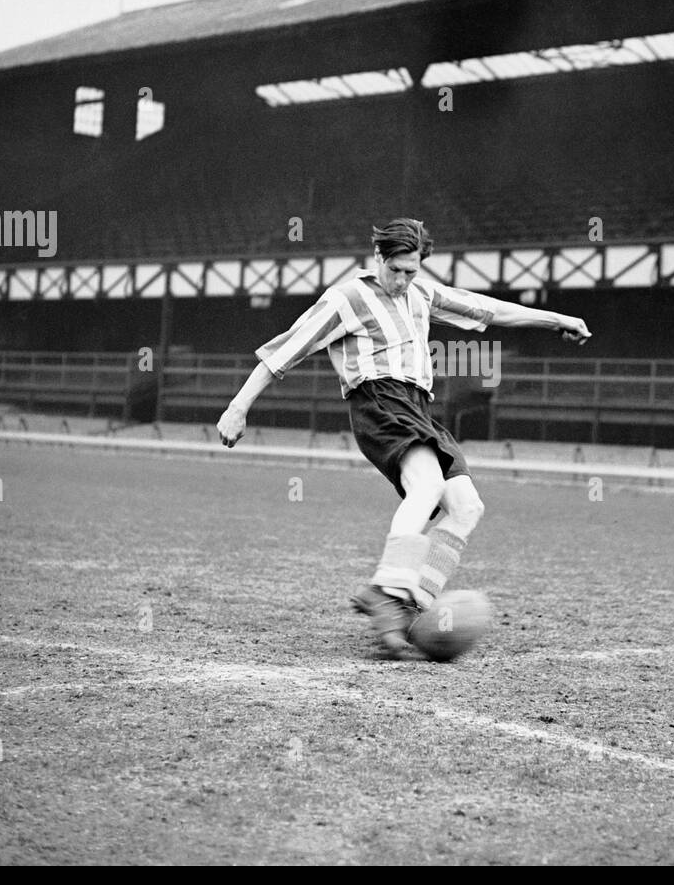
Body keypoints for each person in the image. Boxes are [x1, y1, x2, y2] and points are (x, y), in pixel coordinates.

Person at [216, 218, 591, 659]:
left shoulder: (421, 294)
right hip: (378, 400)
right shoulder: (347, 298)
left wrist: (557, 319)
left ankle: (412, 606)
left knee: (466, 507)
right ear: (378, 258)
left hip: (418, 406)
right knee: (427, 486)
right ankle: (384, 589)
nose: (402, 279)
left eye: (411, 271)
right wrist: (237, 407)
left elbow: (487, 309)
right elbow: (284, 351)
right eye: (395, 270)